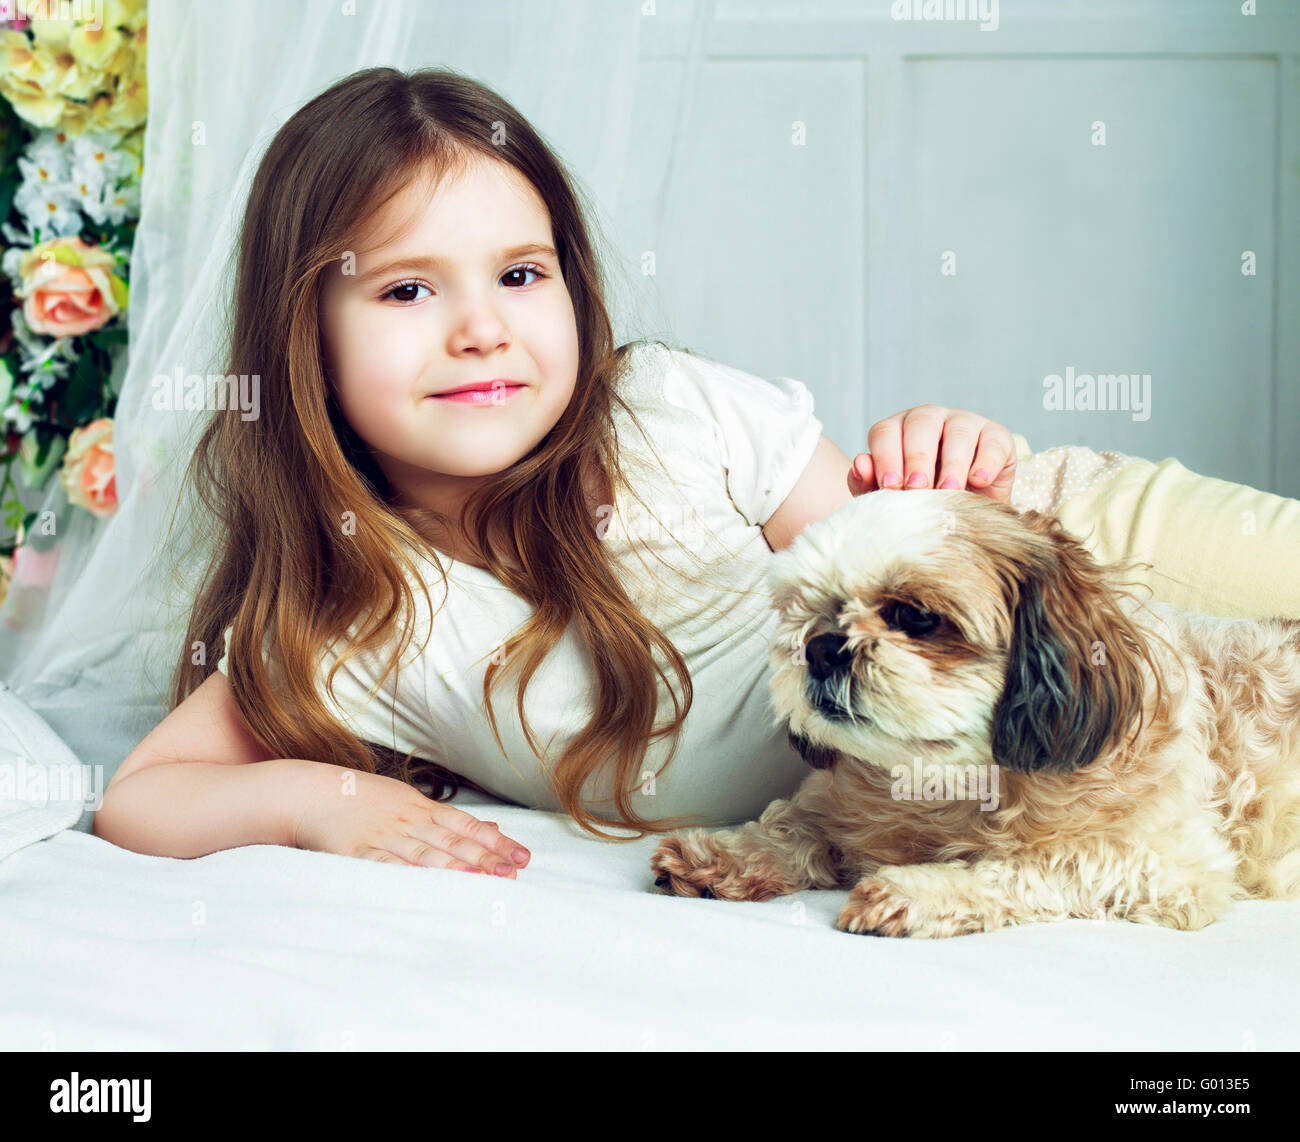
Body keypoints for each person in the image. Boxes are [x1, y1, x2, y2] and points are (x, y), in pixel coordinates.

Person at [90, 65, 1048, 877]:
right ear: (306, 341)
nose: (482, 330)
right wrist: (319, 800)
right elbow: (143, 797)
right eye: (409, 289)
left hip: (1063, 549)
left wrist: (940, 440)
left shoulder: (672, 412)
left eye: (519, 275)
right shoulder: (362, 613)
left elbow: (906, 562)